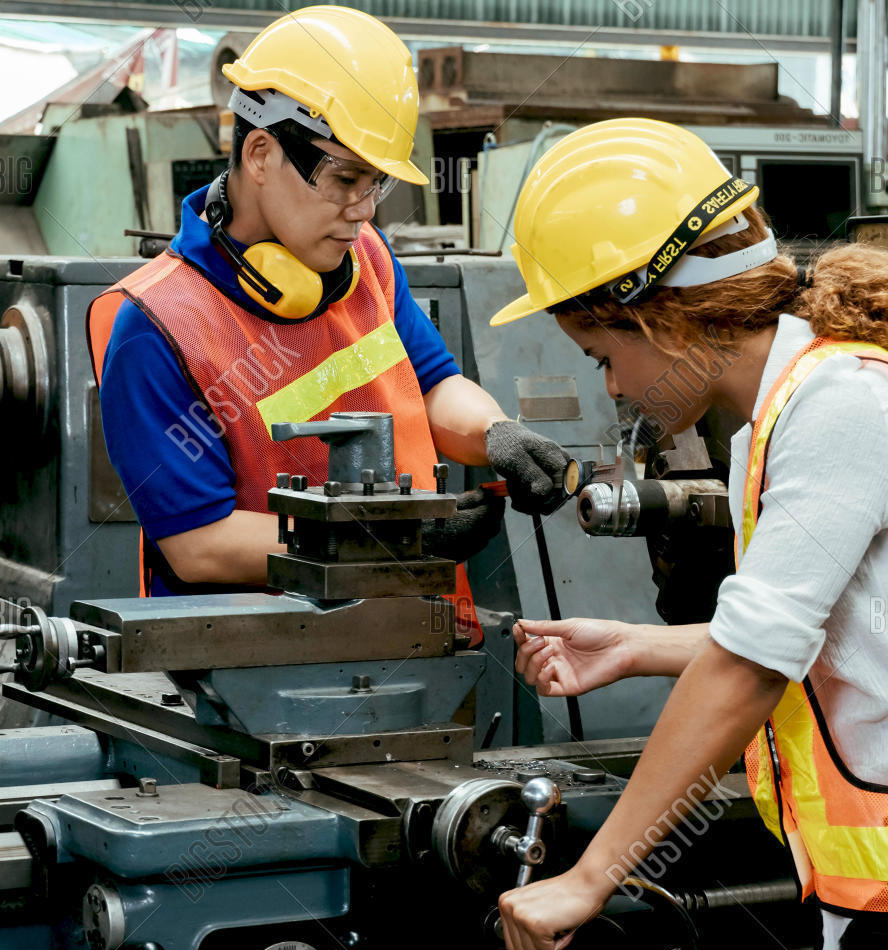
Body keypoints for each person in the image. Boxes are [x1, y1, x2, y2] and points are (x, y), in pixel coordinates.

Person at [491, 118, 888, 950]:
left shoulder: (838, 404)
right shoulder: (782, 416)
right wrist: (634, 646)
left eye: (603, 357)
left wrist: (591, 879)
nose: (613, 389)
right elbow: (827, 630)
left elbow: (751, 665)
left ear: (656, 313)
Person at [87, 6, 567, 611]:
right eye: (344, 179)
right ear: (260, 154)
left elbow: (431, 383)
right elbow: (197, 542)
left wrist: (496, 434)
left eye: (375, 184)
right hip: (250, 672)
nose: (364, 210)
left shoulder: (366, 260)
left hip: (410, 635)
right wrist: (388, 540)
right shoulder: (157, 325)